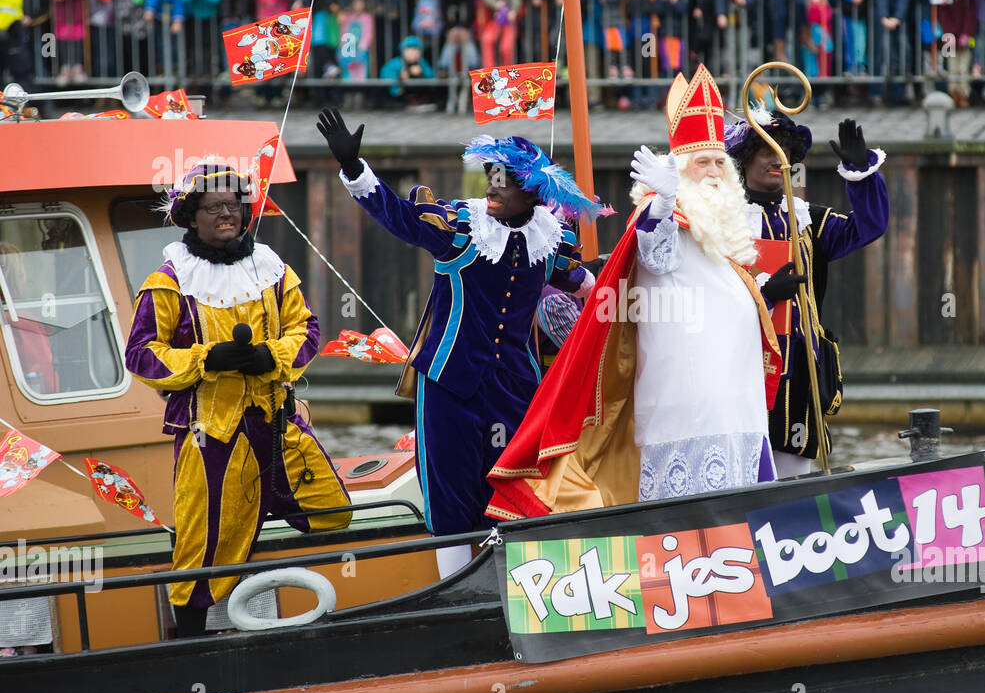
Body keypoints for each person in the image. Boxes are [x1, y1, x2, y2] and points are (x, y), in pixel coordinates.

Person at [487, 64, 782, 518]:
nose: (713, 171)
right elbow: (655, 254)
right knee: (695, 509)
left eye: (720, 162)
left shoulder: (721, 227)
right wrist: (663, 200)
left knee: (744, 495)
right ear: (678, 171)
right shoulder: (664, 213)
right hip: (689, 397)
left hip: (737, 394)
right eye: (702, 162)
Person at [315, 109, 598, 572]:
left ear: (531, 191)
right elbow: (399, 217)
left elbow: (585, 282)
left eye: (504, 181)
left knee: (513, 486)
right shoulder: (462, 229)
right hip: (450, 382)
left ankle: (512, 584)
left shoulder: (549, 241)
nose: (492, 188)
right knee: (450, 492)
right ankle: (455, 586)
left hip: (514, 386)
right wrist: (354, 168)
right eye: (490, 177)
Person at [124, 164, 352, 638]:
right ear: (192, 216)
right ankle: (189, 644)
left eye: (232, 205)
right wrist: (206, 359)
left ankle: (267, 541)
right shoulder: (169, 281)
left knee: (333, 511)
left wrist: (273, 356)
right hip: (211, 432)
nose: (226, 214)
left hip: (277, 423)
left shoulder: (272, 269)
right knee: (202, 543)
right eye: (214, 207)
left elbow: (307, 330)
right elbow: (141, 354)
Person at [725, 112, 889, 476]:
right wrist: (763, 294)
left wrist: (862, 173)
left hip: (799, 371)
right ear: (745, 158)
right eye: (767, 150)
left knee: (794, 477)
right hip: (741, 366)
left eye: (784, 150)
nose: (777, 159)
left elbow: (869, 226)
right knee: (740, 473)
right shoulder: (719, 223)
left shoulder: (807, 220)